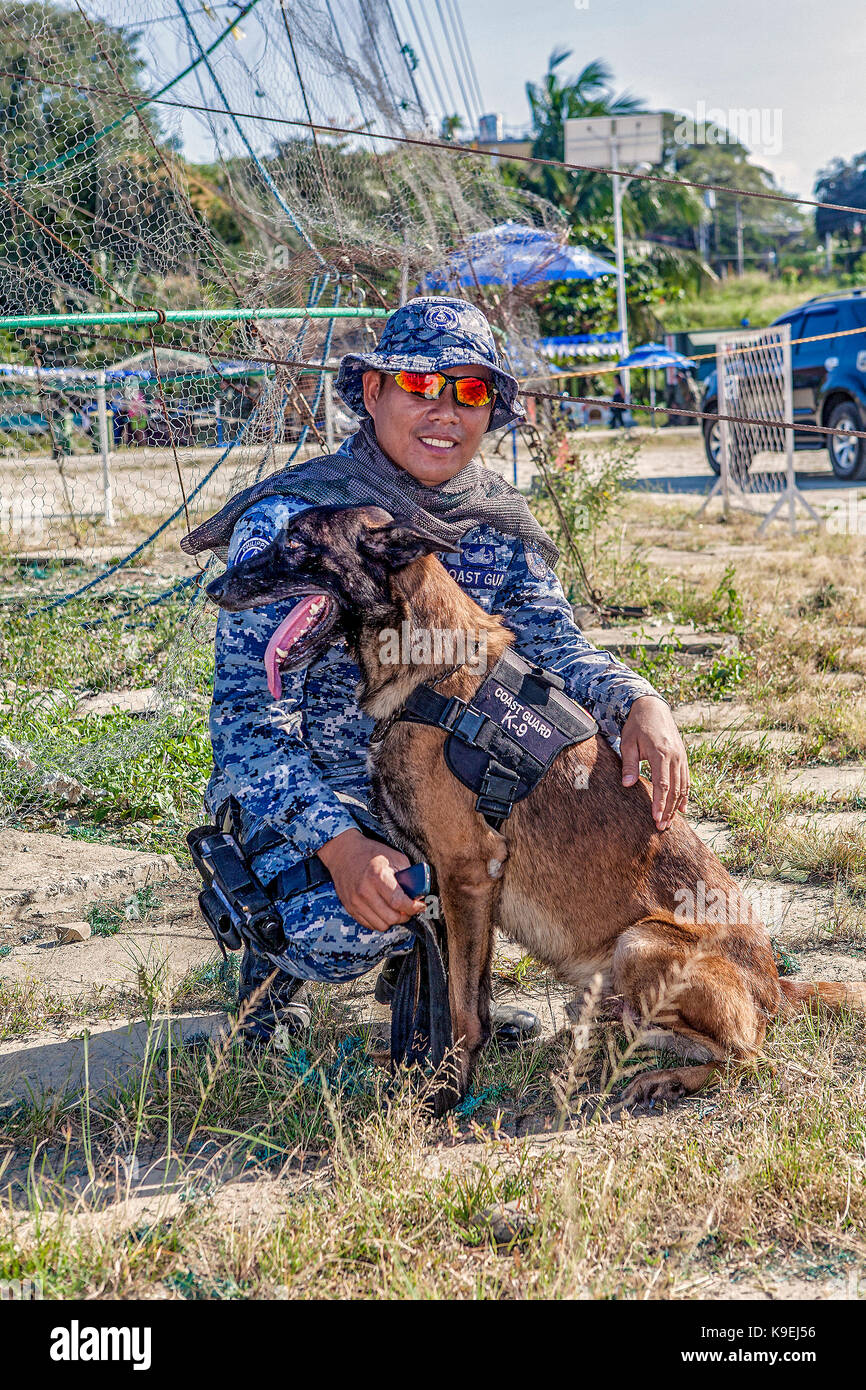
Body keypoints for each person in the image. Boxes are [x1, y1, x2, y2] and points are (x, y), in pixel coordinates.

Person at [183, 297, 690, 1048]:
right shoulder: (299, 520)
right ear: (372, 393)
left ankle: (434, 967)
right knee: (340, 924)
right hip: (321, 784)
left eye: (472, 390)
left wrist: (640, 702)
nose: (446, 412)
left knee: (524, 850)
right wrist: (340, 847)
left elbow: (558, 648)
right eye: (421, 386)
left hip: (442, 782)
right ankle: (270, 966)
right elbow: (248, 730)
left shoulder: (494, 519)